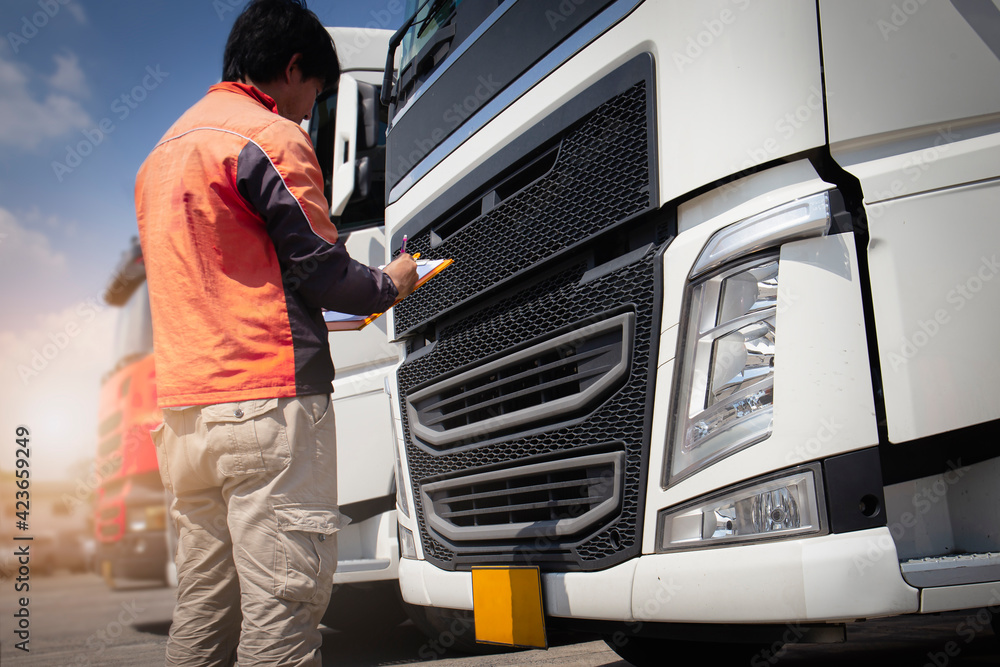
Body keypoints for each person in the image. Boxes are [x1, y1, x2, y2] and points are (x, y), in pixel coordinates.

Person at [134, 1, 417, 664]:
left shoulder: (159, 157)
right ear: (293, 68)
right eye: (311, 95)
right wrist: (394, 280)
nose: (304, 114)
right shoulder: (268, 137)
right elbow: (325, 275)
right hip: (266, 411)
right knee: (282, 610)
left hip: (182, 422)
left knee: (204, 609)